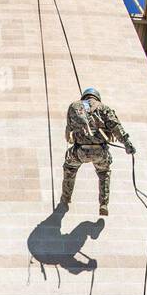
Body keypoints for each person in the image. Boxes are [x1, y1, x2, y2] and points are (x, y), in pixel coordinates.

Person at [60, 87, 134, 217]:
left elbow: (68, 132)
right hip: (100, 151)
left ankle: (66, 197)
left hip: (80, 150)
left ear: (84, 96)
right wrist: (127, 144)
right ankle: (103, 204)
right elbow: (116, 126)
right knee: (104, 173)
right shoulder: (104, 108)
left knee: (69, 168)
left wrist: (73, 138)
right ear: (97, 97)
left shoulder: (74, 106)